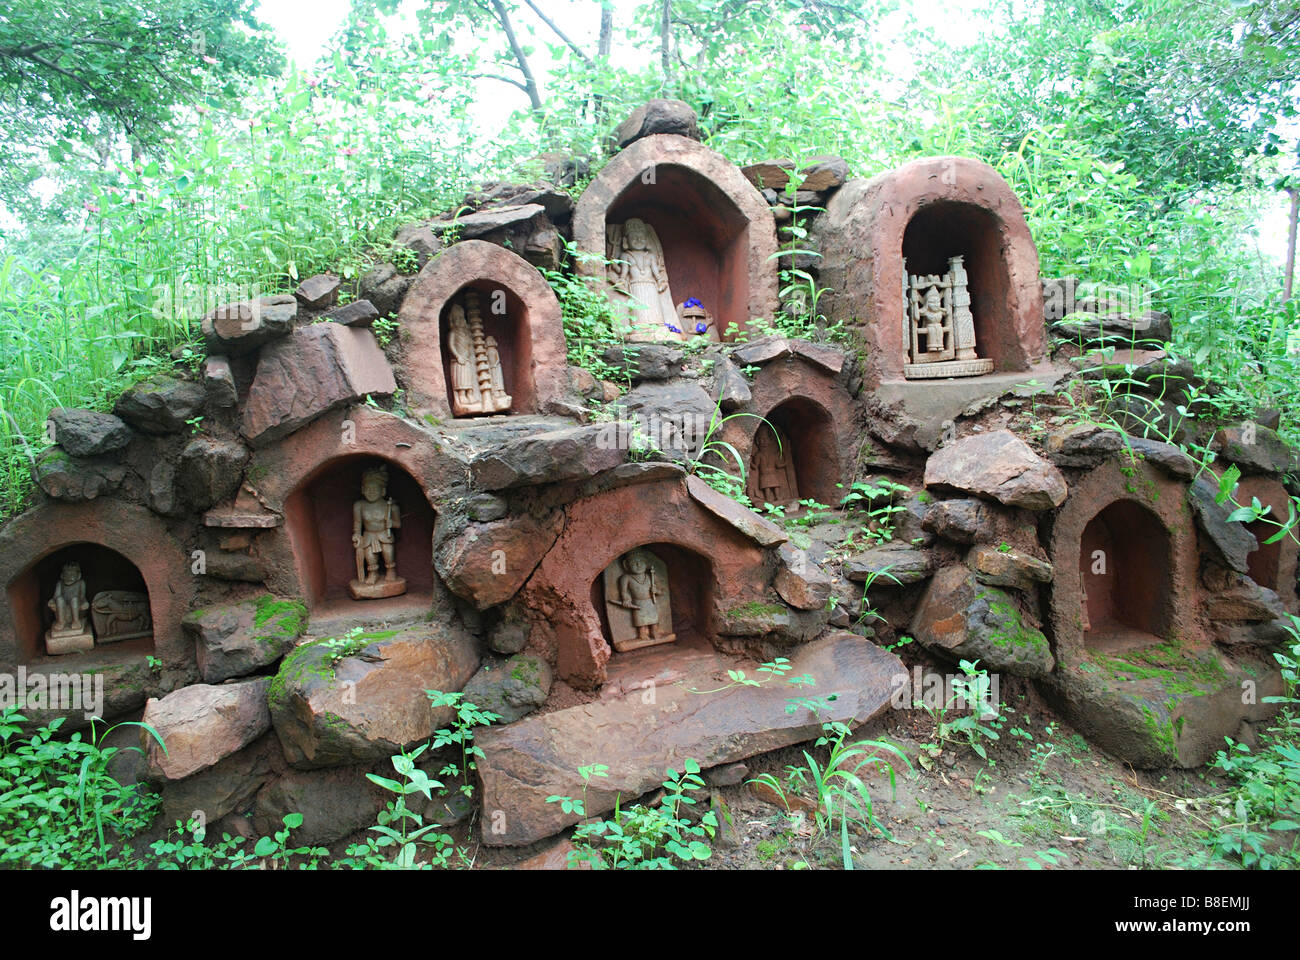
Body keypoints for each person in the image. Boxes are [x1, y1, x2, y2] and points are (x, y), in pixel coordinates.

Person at [352, 466, 401, 585]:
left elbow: (398, 524)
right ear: (363, 490)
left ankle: (390, 571)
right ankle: (373, 573)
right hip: (368, 535)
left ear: (383, 491)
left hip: (384, 534)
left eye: (375, 489)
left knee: (388, 553)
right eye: (368, 489)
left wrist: (391, 523)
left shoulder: (390, 507)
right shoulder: (359, 505)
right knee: (370, 556)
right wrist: (357, 534)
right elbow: (358, 523)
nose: (371, 492)